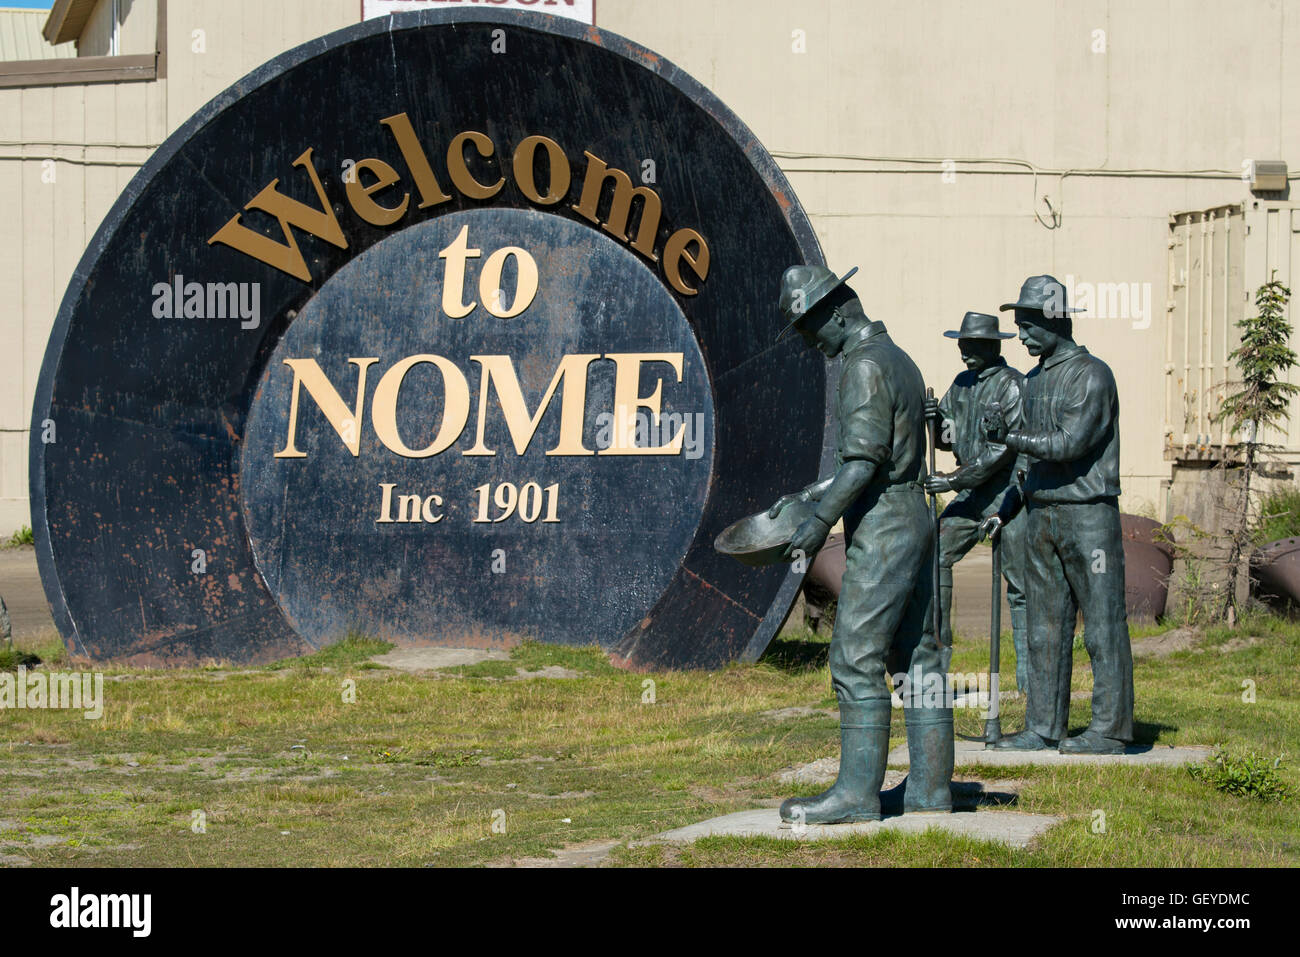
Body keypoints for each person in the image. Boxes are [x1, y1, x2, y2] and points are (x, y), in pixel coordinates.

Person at [768, 264, 951, 822]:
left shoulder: (864, 367)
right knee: (919, 656)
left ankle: (855, 795)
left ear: (838, 311)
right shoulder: (897, 357)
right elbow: (882, 455)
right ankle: (929, 790)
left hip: (887, 525)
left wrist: (818, 520)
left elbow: (865, 462)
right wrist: (813, 490)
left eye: (807, 326)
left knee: (855, 655)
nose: (807, 339)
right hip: (915, 512)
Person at [982, 275, 1135, 754]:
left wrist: (1008, 438)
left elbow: (1070, 444)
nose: (1021, 336)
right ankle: (1044, 726)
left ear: (1055, 321)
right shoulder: (1032, 382)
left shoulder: (1092, 375)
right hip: (1042, 514)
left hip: (1088, 514)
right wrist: (1006, 509)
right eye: (1018, 325)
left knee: (1103, 623)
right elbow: (1026, 468)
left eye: (1028, 325)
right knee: (1045, 628)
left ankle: (1110, 729)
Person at [922, 312, 1029, 697]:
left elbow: (1001, 451)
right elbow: (949, 441)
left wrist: (951, 481)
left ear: (993, 346)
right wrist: (936, 424)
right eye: (962, 347)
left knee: (1019, 584)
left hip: (1008, 492)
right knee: (935, 554)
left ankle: (1031, 684)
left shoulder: (1012, 386)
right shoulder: (961, 384)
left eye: (972, 347)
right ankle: (937, 667)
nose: (965, 354)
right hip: (971, 490)